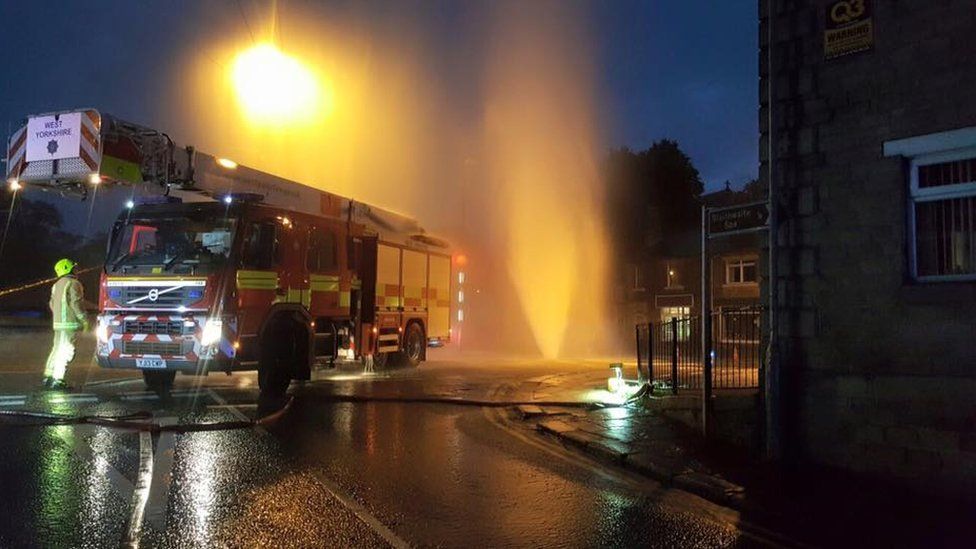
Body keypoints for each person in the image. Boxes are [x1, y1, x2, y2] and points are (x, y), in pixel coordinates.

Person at [42, 258, 89, 390]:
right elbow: (76, 303)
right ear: (68, 269)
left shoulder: (56, 285)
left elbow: (52, 304)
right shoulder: (74, 283)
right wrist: (84, 319)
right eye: (74, 267)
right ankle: (58, 379)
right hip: (68, 325)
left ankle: (49, 375)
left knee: (56, 349)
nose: (76, 269)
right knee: (66, 351)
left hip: (57, 324)